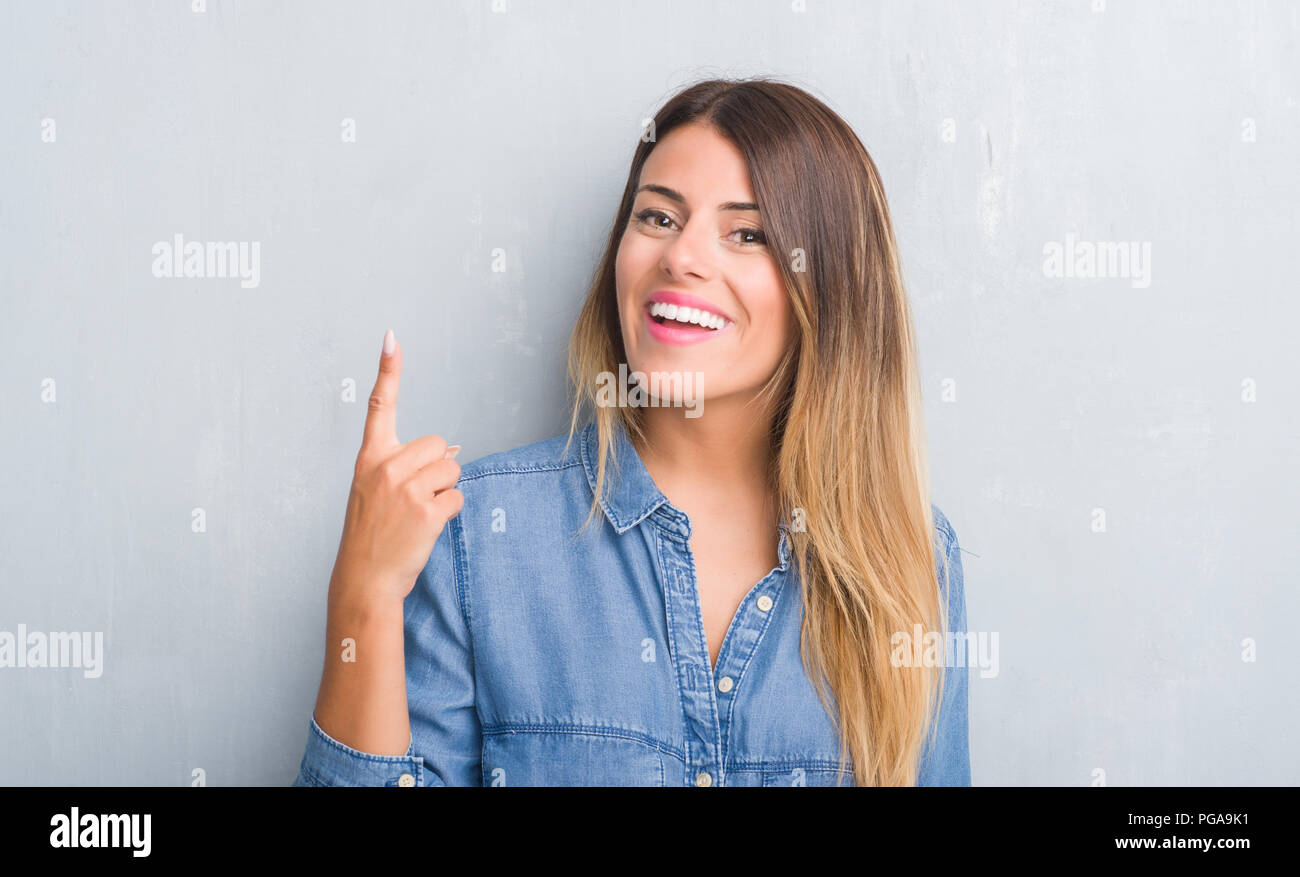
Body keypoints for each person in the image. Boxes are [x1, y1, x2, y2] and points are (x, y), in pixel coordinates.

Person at [292, 76, 970, 787]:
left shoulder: (917, 565)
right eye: (657, 218)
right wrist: (361, 596)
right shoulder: (474, 532)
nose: (680, 257)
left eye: (747, 233)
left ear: (830, 289)